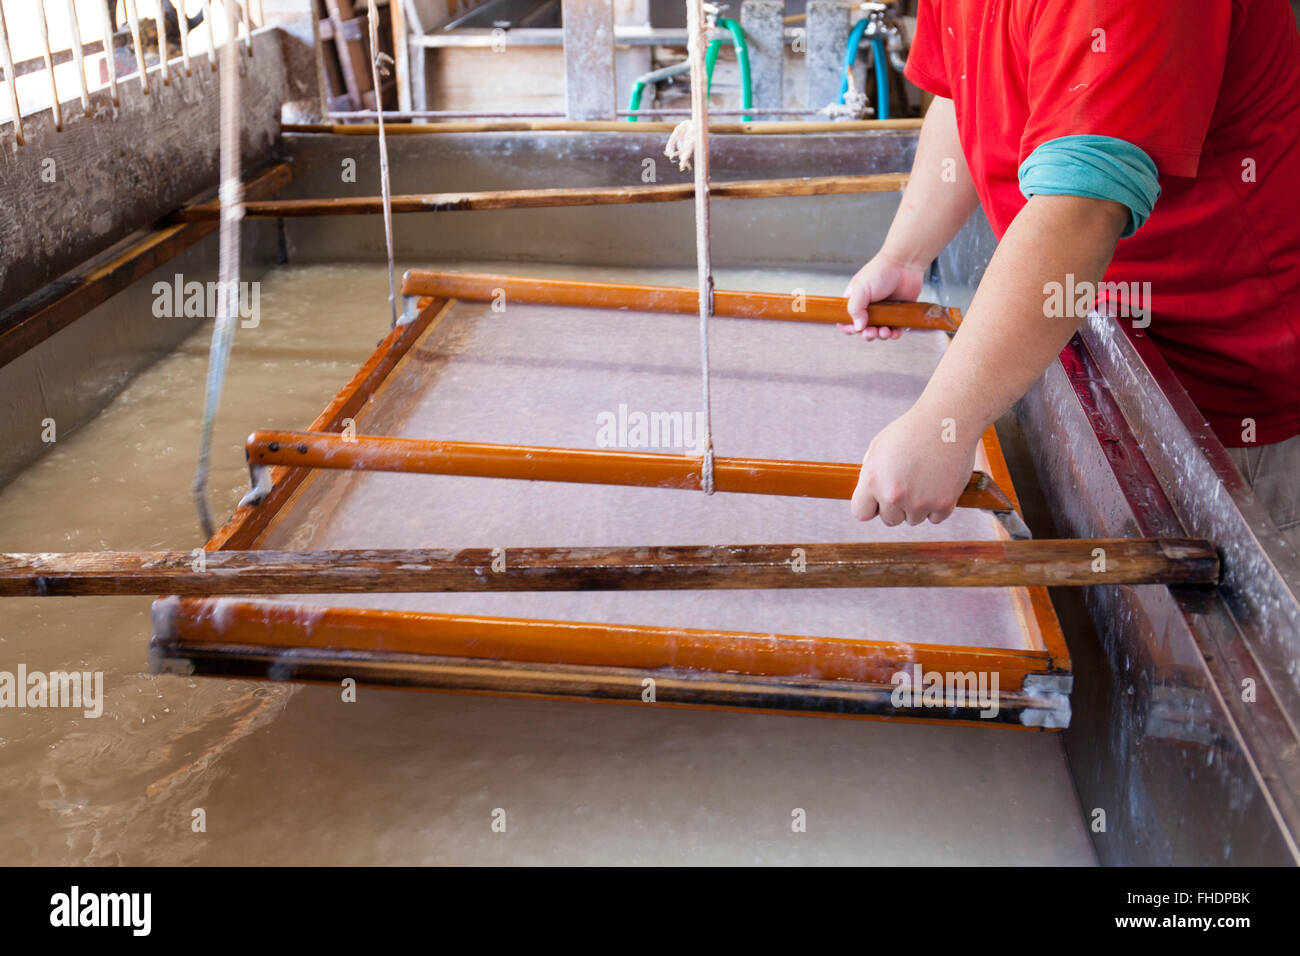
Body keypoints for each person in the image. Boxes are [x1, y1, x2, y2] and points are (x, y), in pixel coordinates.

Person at [843, 0, 1300, 555]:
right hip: (1098, 336)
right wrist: (905, 255)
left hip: (1229, 395)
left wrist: (945, 421)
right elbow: (961, 89)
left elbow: (1082, 204)